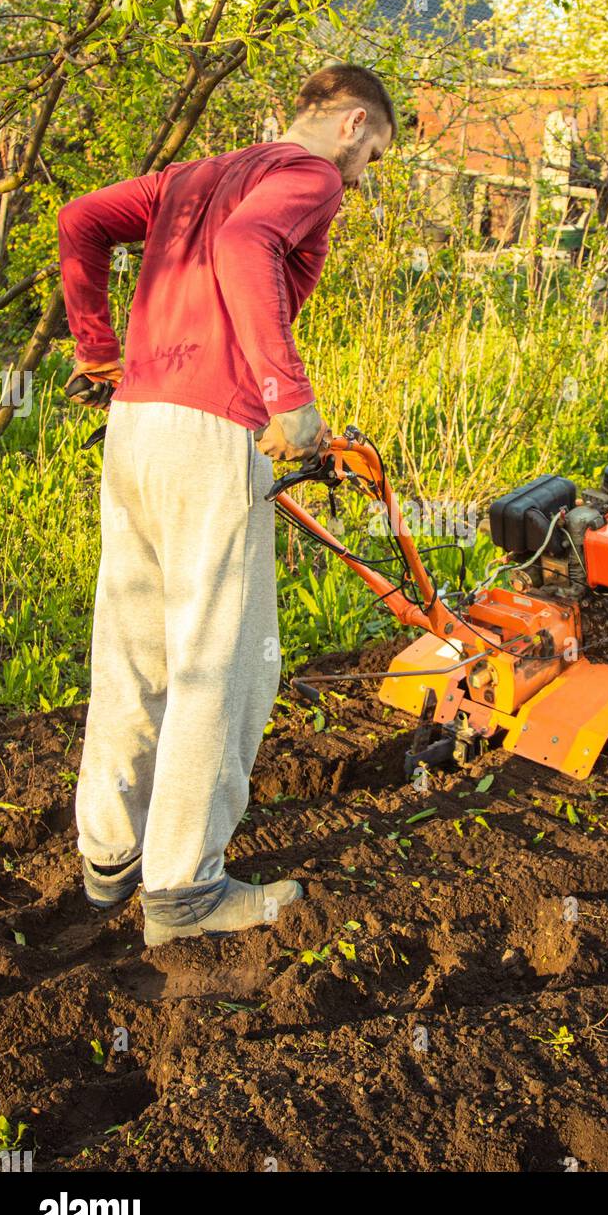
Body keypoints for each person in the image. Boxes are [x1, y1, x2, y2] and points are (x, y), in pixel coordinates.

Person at [57, 63, 395, 947]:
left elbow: (79, 221)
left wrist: (99, 350)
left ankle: (110, 858)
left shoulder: (193, 178)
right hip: (213, 434)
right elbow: (247, 249)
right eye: (374, 155)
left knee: (132, 648)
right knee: (223, 662)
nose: (362, 178)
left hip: (136, 424)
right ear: (353, 123)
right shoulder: (311, 175)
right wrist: (291, 397)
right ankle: (186, 891)